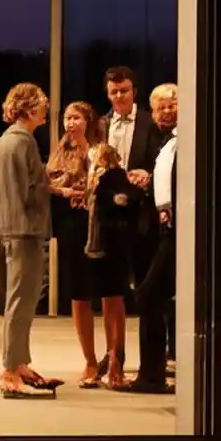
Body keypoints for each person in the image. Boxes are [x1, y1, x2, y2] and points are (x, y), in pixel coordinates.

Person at [94, 66, 164, 379]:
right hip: (108, 216)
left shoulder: (151, 123)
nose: (119, 96)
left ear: (134, 91)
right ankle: (115, 358)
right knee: (111, 289)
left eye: (124, 90)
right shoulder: (101, 124)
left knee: (147, 290)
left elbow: (159, 162)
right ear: (108, 94)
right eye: (114, 92)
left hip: (142, 214)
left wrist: (147, 178)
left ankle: (154, 364)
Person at [0, 82, 60, 398]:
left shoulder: (5, 142)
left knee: (20, 298)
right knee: (22, 300)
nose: (46, 111)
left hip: (12, 228)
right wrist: (53, 186)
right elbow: (29, 189)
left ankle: (18, 363)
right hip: (25, 230)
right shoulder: (24, 142)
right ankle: (10, 369)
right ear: (31, 108)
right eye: (43, 105)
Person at [46, 101, 109, 388]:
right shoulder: (61, 151)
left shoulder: (100, 149)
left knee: (108, 292)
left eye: (76, 118)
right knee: (79, 294)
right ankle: (90, 359)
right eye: (67, 119)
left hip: (100, 224)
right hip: (73, 225)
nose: (70, 124)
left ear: (88, 120)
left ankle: (113, 359)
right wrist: (64, 191)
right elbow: (46, 183)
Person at [126, 83, 178, 394]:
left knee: (149, 295)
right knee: (151, 300)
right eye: (162, 106)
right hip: (151, 229)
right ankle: (151, 374)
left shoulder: (185, 139)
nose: (168, 110)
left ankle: (154, 374)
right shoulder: (158, 138)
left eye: (173, 105)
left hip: (172, 231)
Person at [84, 142, 145, 390]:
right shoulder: (98, 180)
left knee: (113, 302)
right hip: (102, 248)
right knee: (109, 302)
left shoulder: (111, 178)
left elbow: (123, 203)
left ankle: (115, 363)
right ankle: (112, 362)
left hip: (110, 248)